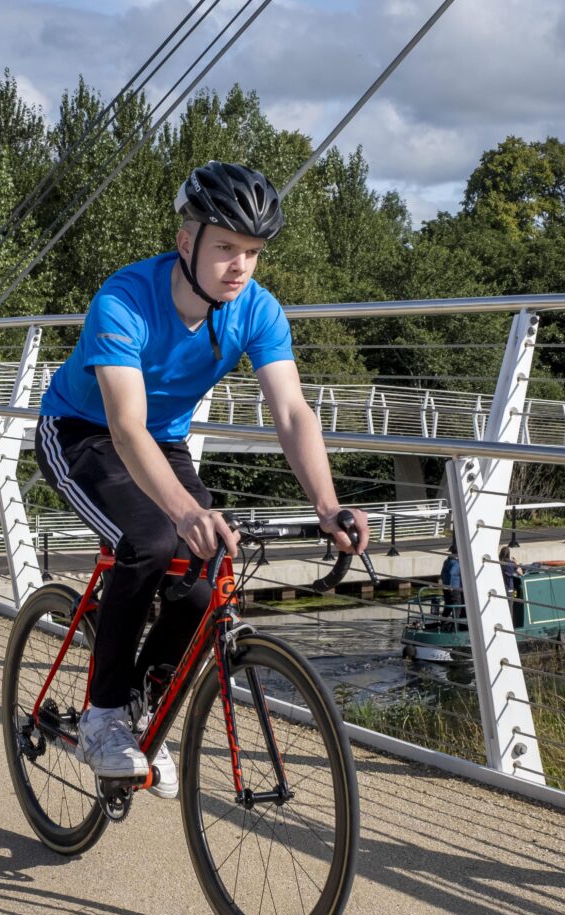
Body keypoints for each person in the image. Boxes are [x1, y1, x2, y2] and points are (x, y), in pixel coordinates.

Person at [34, 160, 369, 798]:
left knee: (209, 561)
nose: (239, 265)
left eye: (252, 252)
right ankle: (104, 717)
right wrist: (181, 512)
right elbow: (125, 427)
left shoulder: (257, 311)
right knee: (155, 541)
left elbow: (292, 411)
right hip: (81, 432)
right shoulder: (124, 298)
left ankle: (142, 707)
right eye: (225, 248)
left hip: (163, 441)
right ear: (186, 243)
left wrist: (327, 505)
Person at [499, 545, 524, 627]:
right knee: (509, 609)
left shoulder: (498, 563)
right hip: (509, 588)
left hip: (500, 588)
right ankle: (509, 626)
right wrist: (517, 563)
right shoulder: (511, 564)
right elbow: (521, 573)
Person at [439, 543, 462, 625]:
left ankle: (442, 622)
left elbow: (442, 573)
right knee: (457, 605)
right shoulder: (456, 562)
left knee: (448, 605)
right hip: (454, 588)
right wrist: (452, 585)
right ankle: (455, 625)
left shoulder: (447, 561)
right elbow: (453, 572)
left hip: (446, 587)